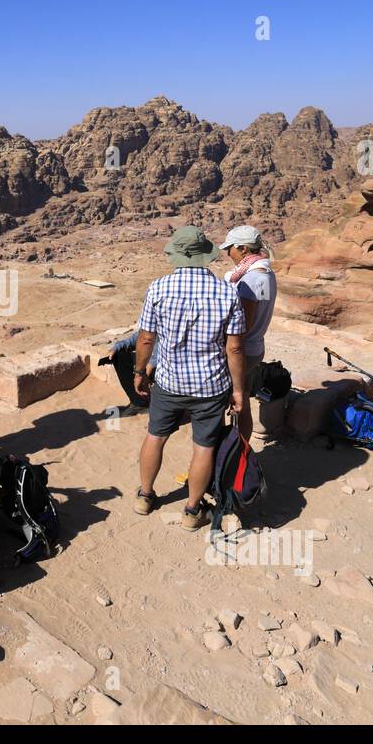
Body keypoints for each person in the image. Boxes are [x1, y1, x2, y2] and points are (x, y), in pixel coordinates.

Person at [133, 226, 247, 528]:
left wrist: (139, 371)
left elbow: (146, 339)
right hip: (210, 386)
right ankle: (193, 511)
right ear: (205, 257)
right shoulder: (226, 293)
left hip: (169, 382)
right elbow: (234, 348)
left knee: (155, 436)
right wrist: (239, 390)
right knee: (204, 447)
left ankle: (145, 496)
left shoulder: (158, 288)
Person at [219, 225, 278, 443]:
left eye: (230, 249)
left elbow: (241, 327)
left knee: (223, 404)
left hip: (242, 352)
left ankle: (227, 457)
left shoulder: (251, 279)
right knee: (242, 399)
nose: (227, 254)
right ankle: (240, 452)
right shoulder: (263, 271)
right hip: (254, 349)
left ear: (243, 248)